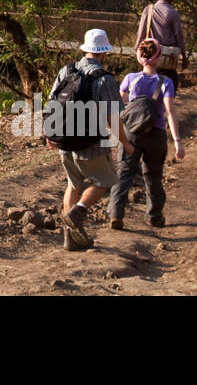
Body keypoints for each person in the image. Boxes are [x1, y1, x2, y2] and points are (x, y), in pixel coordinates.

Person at [45, 28, 133, 251]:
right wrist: (125, 142)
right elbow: (112, 118)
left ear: (85, 49)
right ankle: (78, 211)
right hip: (90, 142)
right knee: (104, 181)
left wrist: (48, 133)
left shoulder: (67, 71)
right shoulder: (105, 80)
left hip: (64, 140)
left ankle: (70, 239)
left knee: (73, 185)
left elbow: (52, 103)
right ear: (104, 53)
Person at [109, 39, 185, 230]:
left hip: (131, 133)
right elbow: (170, 111)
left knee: (124, 174)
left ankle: (116, 214)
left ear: (139, 56)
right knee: (153, 177)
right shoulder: (166, 82)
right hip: (156, 134)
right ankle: (155, 216)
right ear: (159, 58)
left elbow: (120, 107)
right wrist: (177, 142)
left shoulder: (130, 79)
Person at [136, 0, 186, 89]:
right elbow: (179, 36)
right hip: (167, 57)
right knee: (168, 87)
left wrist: (138, 49)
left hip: (151, 54)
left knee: (150, 87)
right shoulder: (173, 13)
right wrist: (184, 56)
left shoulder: (148, 10)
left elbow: (141, 33)